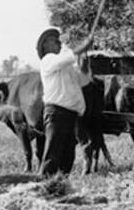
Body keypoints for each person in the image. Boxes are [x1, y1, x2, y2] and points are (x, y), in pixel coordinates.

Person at [37, 26, 93, 177]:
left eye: (58, 40)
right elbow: (68, 57)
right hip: (57, 113)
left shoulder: (67, 68)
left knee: (67, 157)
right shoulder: (48, 61)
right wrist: (81, 47)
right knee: (52, 155)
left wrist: (85, 65)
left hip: (70, 115)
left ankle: (60, 189)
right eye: (55, 41)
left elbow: (83, 81)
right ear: (45, 46)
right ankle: (42, 188)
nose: (59, 43)